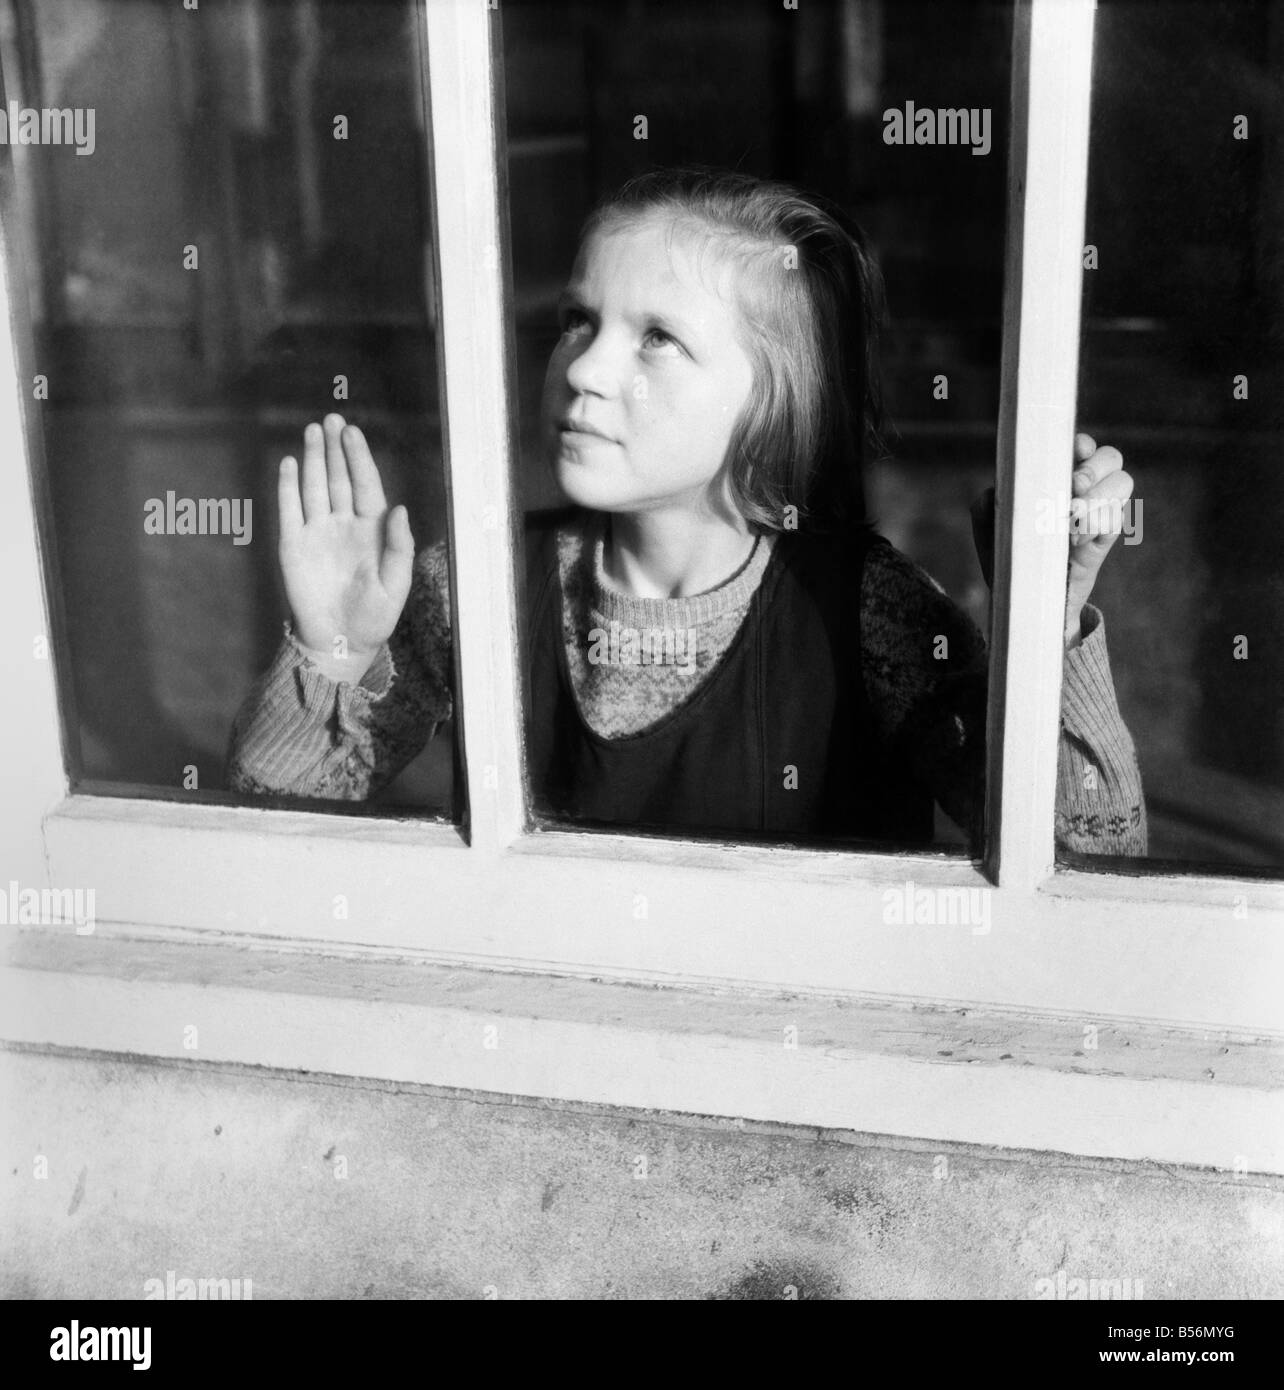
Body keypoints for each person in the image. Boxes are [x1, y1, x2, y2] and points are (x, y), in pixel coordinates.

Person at [228, 168, 1146, 855]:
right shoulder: (470, 586)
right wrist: (334, 655)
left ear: (779, 401)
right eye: (578, 321)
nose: (583, 369)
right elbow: (271, 852)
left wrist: (1050, 627)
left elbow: (1090, 864)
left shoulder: (865, 610)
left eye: (657, 339)